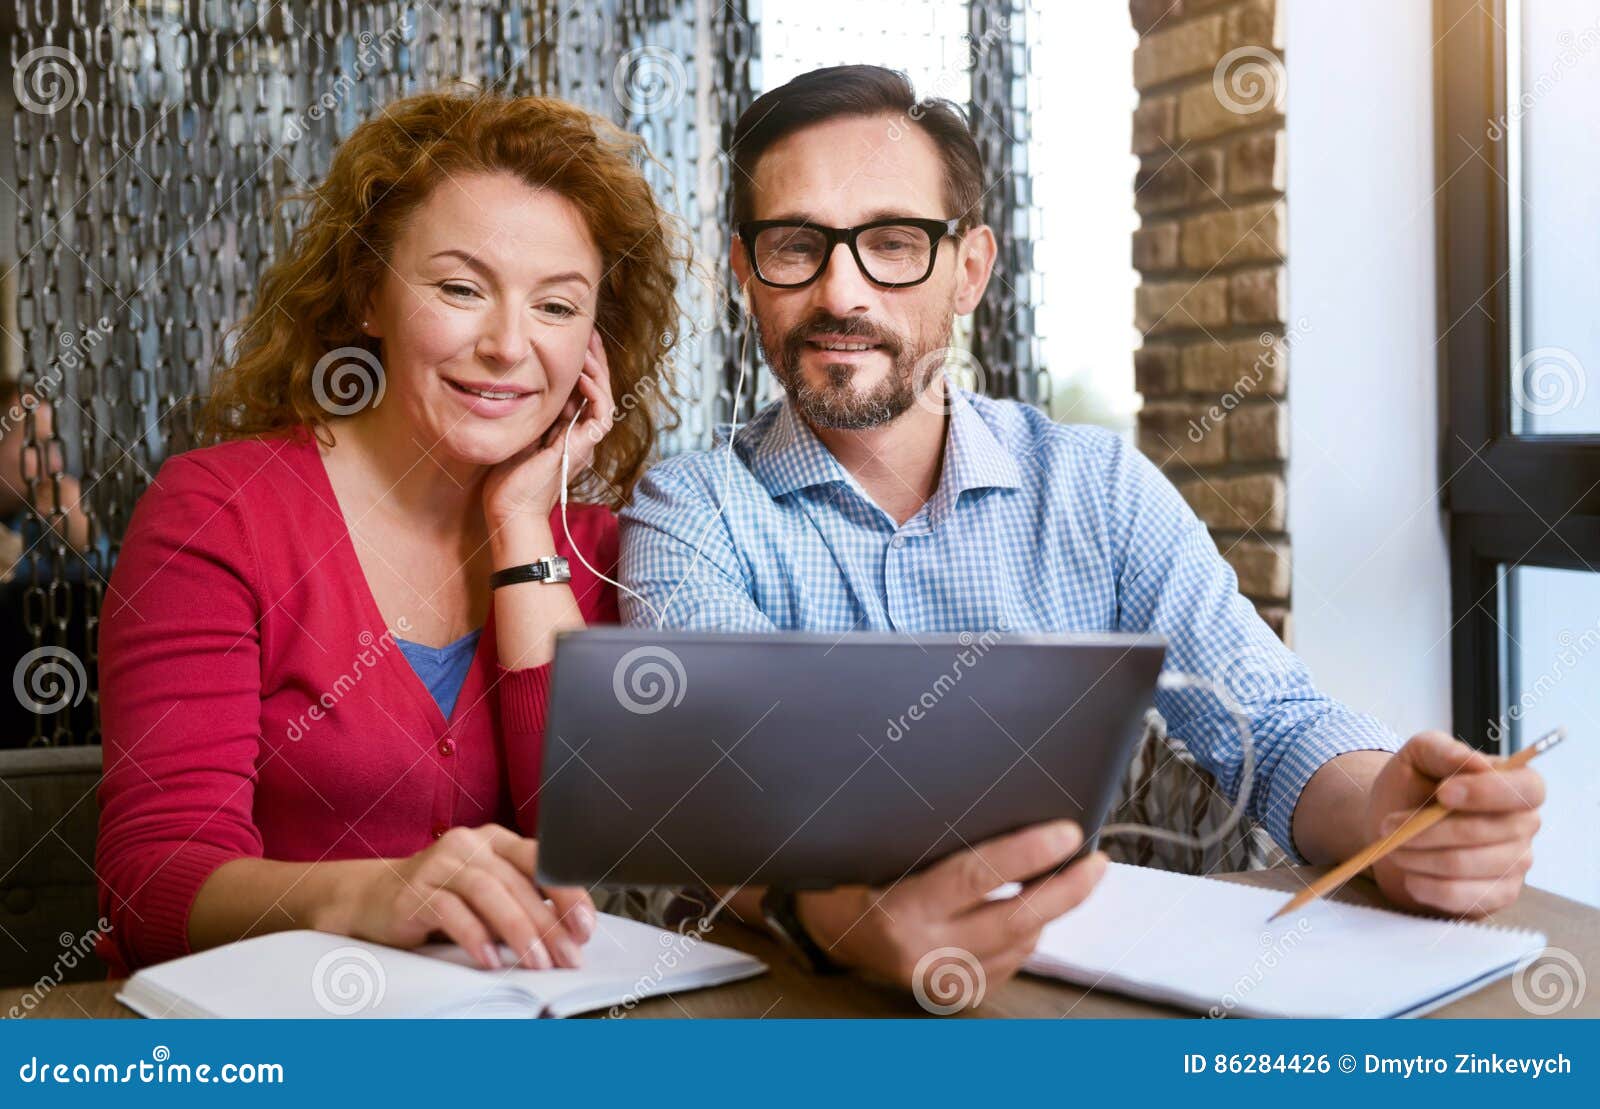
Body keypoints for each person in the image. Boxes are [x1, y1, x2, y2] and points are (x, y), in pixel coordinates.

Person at [619, 65, 1545, 992]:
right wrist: (838, 912)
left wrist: (1390, 813)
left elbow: (1273, 720)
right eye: (795, 246)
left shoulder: (1095, 490)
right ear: (746, 273)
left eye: (894, 242)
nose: (841, 292)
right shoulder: (689, 511)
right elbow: (706, 788)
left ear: (970, 268)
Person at [95, 89, 685, 976]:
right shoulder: (219, 511)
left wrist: (523, 528)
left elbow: (596, 853)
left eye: (558, 307)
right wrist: (365, 896)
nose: (507, 344)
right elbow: (151, 884)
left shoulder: (601, 548)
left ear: (594, 343)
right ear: (369, 293)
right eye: (460, 288)